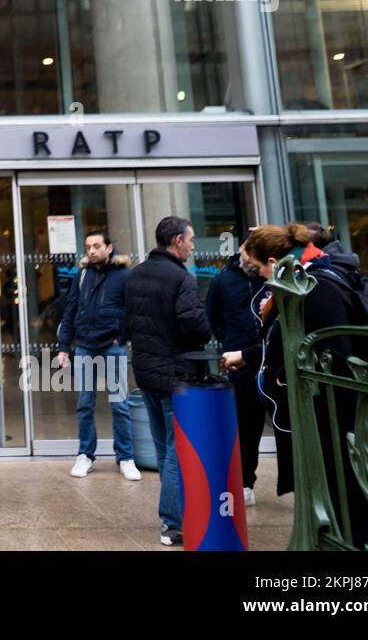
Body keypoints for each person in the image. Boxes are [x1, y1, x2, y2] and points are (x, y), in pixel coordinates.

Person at [222, 222, 368, 547]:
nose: (260, 278)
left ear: (271, 261)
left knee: (346, 494)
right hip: (322, 411)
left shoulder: (316, 287)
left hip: (335, 413)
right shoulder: (304, 283)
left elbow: (335, 354)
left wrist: (288, 370)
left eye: (258, 269)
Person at [124, 215, 211, 547]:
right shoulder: (181, 278)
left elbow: (128, 325)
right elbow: (194, 325)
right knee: (176, 450)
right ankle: (173, 522)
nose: (192, 245)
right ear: (176, 241)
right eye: (190, 239)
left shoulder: (135, 276)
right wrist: (206, 327)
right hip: (176, 374)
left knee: (164, 448)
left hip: (147, 373)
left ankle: (173, 514)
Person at [53, 230, 138, 481]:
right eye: (88, 246)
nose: (91, 251)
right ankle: (85, 455)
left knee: (119, 403)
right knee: (85, 404)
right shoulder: (82, 275)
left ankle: (125, 457)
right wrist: (63, 346)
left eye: (97, 246)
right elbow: (70, 311)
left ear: (109, 248)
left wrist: (122, 338)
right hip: (85, 346)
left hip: (112, 346)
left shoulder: (124, 275)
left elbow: (133, 311)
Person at [205, 241, 267, 505]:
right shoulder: (224, 281)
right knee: (245, 424)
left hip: (271, 359)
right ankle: (244, 482)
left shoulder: (271, 278)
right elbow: (213, 317)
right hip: (240, 362)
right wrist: (231, 344)